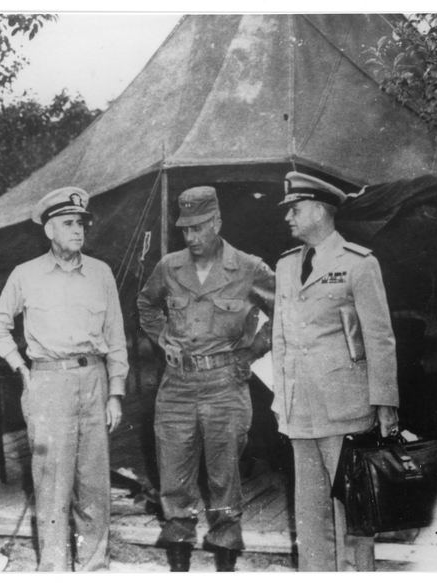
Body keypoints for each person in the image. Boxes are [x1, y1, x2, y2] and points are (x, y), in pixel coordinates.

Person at [0, 187, 129, 571]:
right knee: (51, 486)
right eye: (68, 223)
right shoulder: (25, 275)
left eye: (81, 223)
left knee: (95, 485)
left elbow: (116, 339)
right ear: (49, 230)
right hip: (48, 383)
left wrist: (116, 393)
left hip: (94, 381)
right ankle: (53, 569)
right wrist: (20, 366)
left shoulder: (101, 273)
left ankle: (94, 569)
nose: (78, 230)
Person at [137, 186, 275, 572]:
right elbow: (146, 303)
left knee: (224, 482)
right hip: (176, 386)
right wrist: (163, 339)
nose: (192, 238)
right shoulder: (169, 266)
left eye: (199, 228)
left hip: (224, 385)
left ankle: (224, 571)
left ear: (217, 222)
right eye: (186, 230)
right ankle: (179, 571)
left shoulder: (247, 267)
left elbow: (287, 306)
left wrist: (254, 349)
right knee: (174, 483)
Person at [271, 171, 399, 571]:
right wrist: (280, 398)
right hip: (300, 410)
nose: (288, 218)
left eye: (295, 209)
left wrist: (384, 403)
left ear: (320, 210)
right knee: (310, 516)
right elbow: (280, 337)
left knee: (353, 513)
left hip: (345, 408)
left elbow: (380, 338)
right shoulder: (287, 266)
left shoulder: (359, 264)